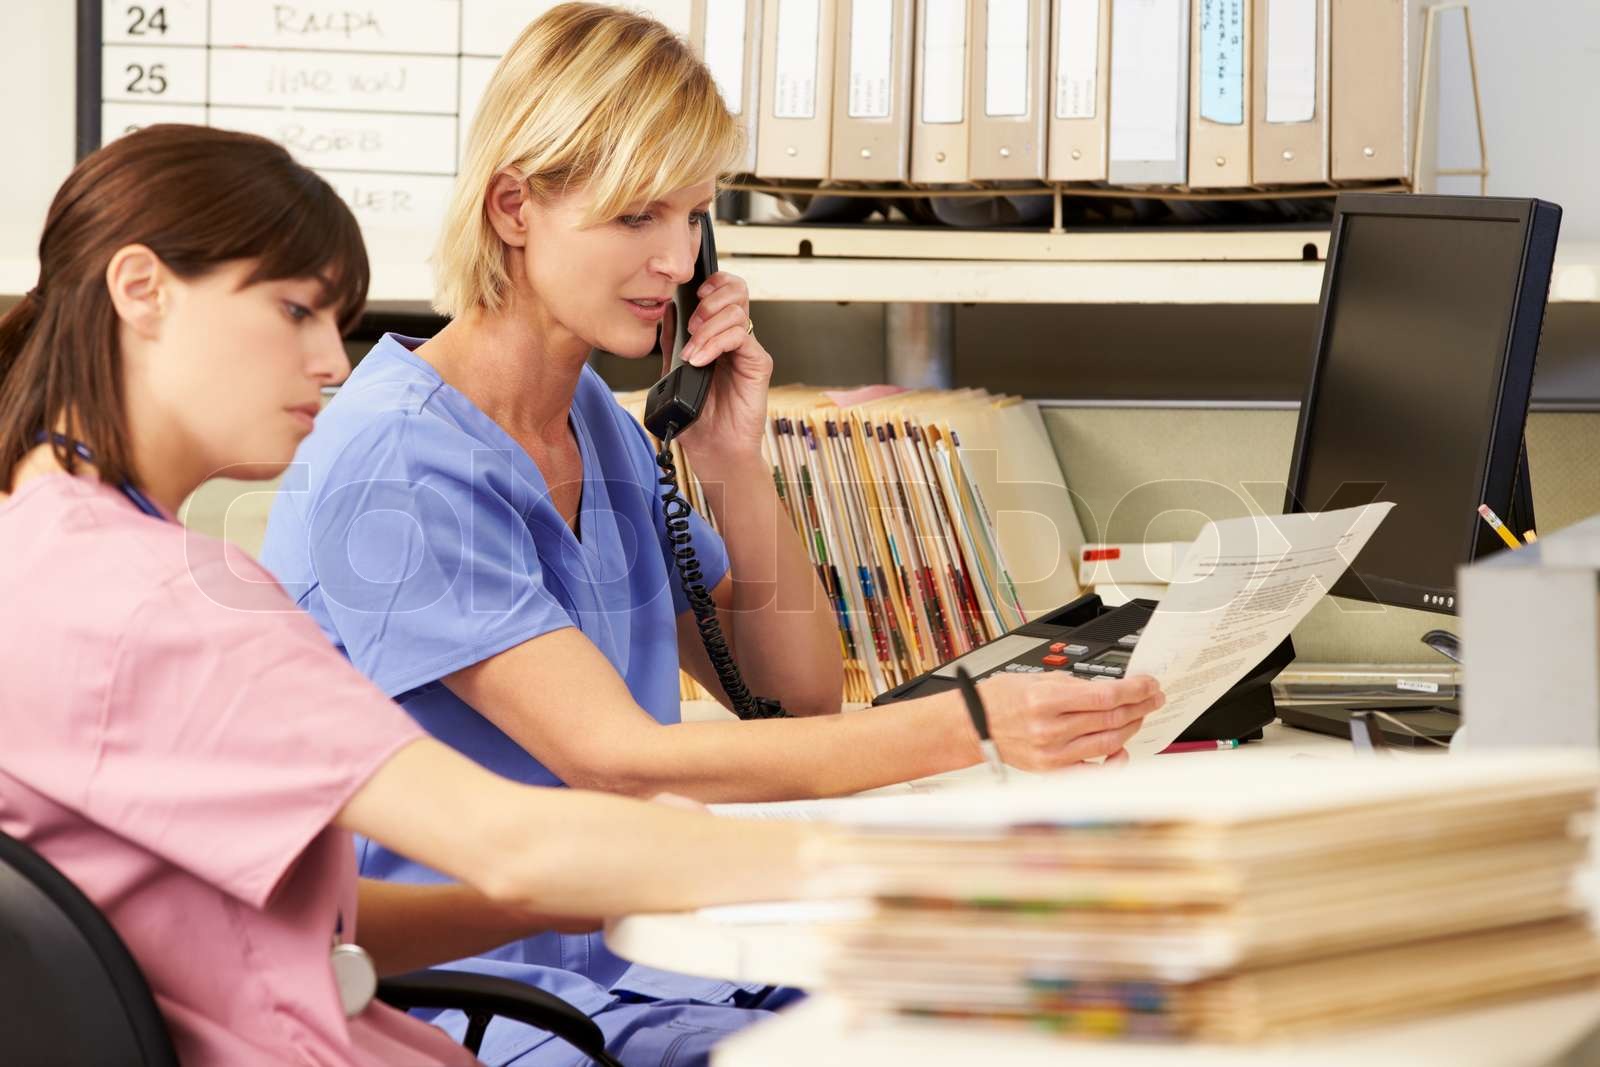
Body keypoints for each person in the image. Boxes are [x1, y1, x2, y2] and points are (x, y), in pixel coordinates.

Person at [260, 4, 1164, 1063]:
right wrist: (973, 719)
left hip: (642, 953)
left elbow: (790, 693)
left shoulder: (595, 416)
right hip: (472, 998)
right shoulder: (402, 461)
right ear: (515, 206)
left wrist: (734, 462)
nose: (678, 261)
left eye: (695, 217)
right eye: (639, 216)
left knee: (1030, 1011)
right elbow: (621, 759)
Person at [0, 123, 825, 1067]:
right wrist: (906, 871)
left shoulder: (39, 549)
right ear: (142, 290)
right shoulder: (173, 605)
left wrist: (581, 887)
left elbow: (301, 926)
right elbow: (508, 841)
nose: (332, 363)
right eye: (295, 310)